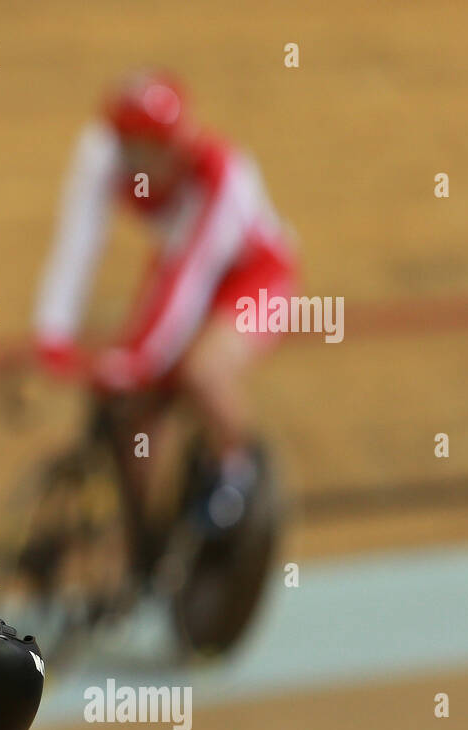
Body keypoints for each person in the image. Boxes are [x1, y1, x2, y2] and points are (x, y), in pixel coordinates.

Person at [32, 70, 297, 539]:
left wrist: (136, 361)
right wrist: (53, 333)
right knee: (136, 405)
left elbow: (190, 280)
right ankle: (152, 535)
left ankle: (237, 475)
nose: (156, 157)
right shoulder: (100, 154)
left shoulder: (221, 173)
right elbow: (78, 241)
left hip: (256, 277)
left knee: (203, 371)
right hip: (182, 266)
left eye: (164, 144)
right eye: (141, 147)